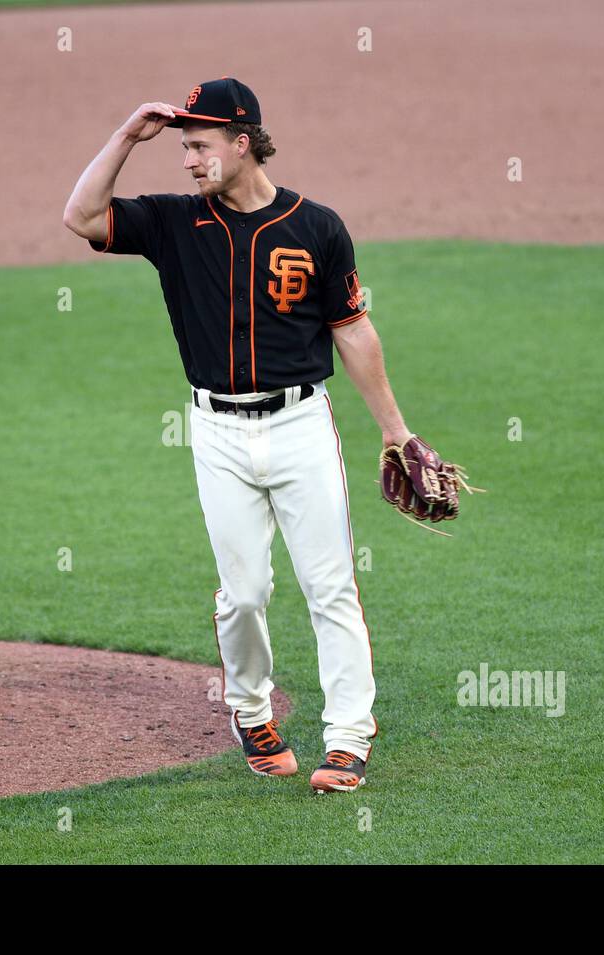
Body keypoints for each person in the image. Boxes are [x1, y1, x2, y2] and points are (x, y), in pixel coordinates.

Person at [63, 78, 419, 794]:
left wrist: (395, 430)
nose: (188, 160)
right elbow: (82, 216)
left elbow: (353, 331)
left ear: (243, 141)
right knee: (245, 592)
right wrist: (127, 135)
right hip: (217, 432)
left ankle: (348, 738)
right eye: (184, 147)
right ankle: (251, 714)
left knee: (330, 586)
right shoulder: (173, 223)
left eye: (200, 146)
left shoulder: (316, 227)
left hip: (300, 425)